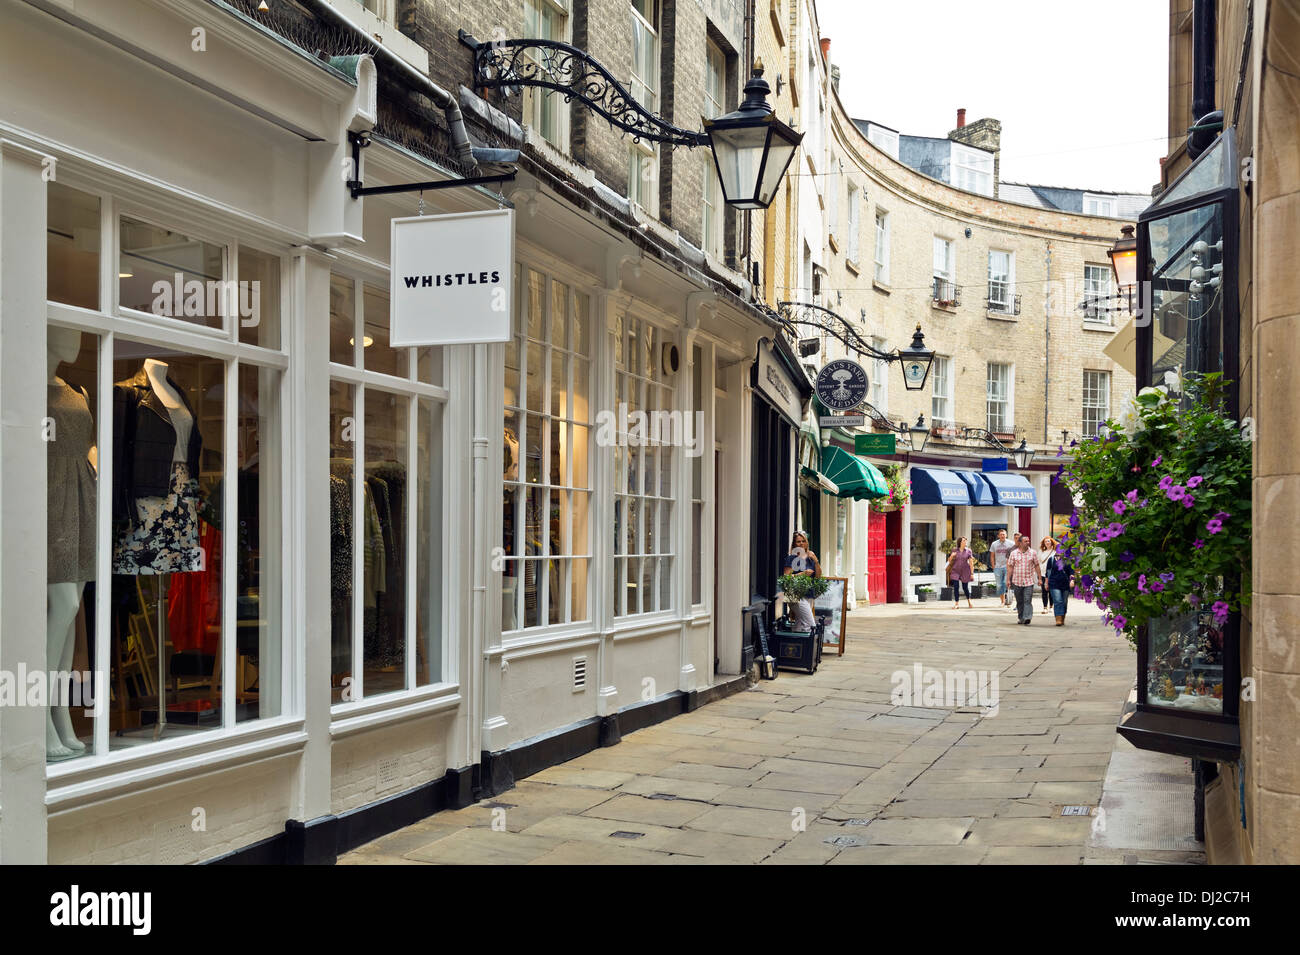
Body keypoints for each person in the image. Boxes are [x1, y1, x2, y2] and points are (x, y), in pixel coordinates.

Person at [780, 530, 821, 630]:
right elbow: (786, 577)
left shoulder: (811, 557)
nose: (801, 543)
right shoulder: (792, 558)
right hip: (796, 596)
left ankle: (794, 644)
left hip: (809, 594)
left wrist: (816, 561)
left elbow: (818, 577)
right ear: (794, 544)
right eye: (798, 541)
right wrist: (803, 574)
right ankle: (809, 645)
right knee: (811, 625)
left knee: (800, 624)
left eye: (803, 541)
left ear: (807, 542)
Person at [1005, 534, 1040, 624]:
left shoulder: (1033, 552)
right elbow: (1010, 567)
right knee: (1020, 601)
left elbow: (1036, 565)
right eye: (1025, 541)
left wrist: (1039, 578)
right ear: (1020, 543)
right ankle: (1021, 617)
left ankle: (1027, 617)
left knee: (1027, 599)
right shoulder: (1013, 553)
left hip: (1029, 581)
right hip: (1017, 581)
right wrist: (1008, 579)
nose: (1028, 543)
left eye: (1028, 541)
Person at [1046, 551, 1075, 626]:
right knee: (1058, 600)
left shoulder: (1068, 560)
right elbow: (1048, 572)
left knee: (1064, 602)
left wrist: (1072, 580)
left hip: (1065, 584)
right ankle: (1058, 619)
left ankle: (1062, 617)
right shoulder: (1051, 559)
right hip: (1054, 583)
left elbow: (1072, 572)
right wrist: (1046, 583)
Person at [946, 536, 974, 609]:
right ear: (960, 542)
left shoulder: (968, 551)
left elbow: (971, 563)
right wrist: (952, 556)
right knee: (956, 587)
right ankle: (956, 603)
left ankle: (969, 601)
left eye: (965, 541)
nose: (965, 542)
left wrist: (972, 573)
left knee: (965, 587)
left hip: (965, 571)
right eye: (964, 541)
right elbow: (949, 561)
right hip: (955, 570)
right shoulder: (954, 550)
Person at [988, 529, 1014, 607]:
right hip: (998, 567)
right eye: (1001, 534)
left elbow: (1014, 555)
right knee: (999, 585)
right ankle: (1002, 601)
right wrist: (993, 566)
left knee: (1006, 584)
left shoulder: (1011, 544)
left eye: (1004, 534)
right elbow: (992, 556)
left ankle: (1008, 601)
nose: (1002, 536)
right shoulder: (994, 544)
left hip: (1008, 567)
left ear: (1006, 535)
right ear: (998, 535)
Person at [1037, 536, 1057, 614]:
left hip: (1052, 574)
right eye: (1045, 542)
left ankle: (1051, 606)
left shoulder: (1055, 551)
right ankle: (1045, 607)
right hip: (1042, 574)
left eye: (1048, 541)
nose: (1047, 543)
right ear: (1044, 543)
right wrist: (1038, 575)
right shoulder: (1041, 551)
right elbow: (1038, 563)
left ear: (1051, 542)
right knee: (1044, 591)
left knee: (1051, 590)